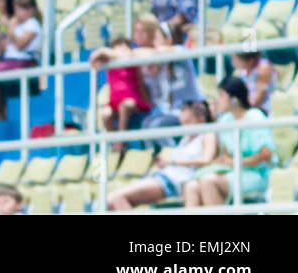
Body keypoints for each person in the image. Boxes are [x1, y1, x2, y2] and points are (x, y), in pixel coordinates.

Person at [106, 100, 217, 209]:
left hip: (173, 182)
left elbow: (206, 159)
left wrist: (173, 162)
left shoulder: (207, 135)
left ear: (201, 120)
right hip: (164, 177)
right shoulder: (185, 139)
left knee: (117, 198)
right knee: (111, 200)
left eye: (188, 122)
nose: (184, 127)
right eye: (182, 123)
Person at [188, 77, 276, 206]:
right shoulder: (226, 120)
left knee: (208, 181)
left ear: (234, 99)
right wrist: (225, 161)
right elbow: (228, 154)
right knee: (192, 186)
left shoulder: (255, 116)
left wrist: (235, 162)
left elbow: (266, 155)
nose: (216, 101)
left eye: (221, 96)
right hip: (235, 171)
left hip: (257, 174)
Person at [91, 37, 151, 142]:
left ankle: (120, 140)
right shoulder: (109, 63)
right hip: (114, 103)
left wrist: (146, 101)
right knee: (105, 114)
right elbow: (96, 59)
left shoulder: (133, 62)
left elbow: (140, 82)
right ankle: (114, 140)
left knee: (125, 106)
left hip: (132, 100)